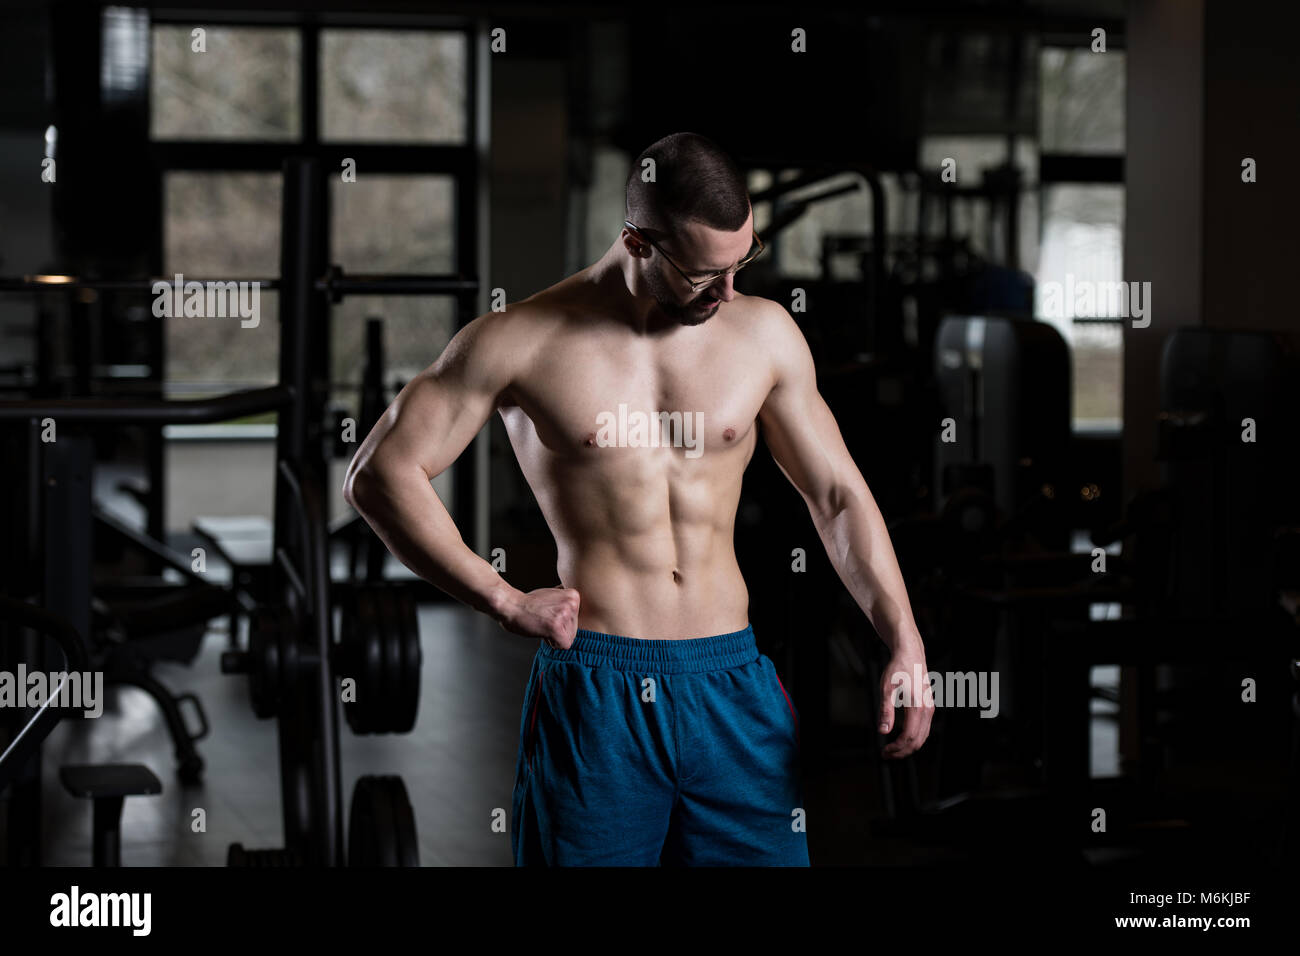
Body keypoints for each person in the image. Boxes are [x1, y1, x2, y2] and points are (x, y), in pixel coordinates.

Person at [343, 131, 933, 866]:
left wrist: (902, 637)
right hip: (599, 691)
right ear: (636, 241)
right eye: (702, 275)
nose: (727, 294)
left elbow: (838, 493)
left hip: (732, 684)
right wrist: (500, 598)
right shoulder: (518, 340)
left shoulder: (765, 335)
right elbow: (379, 474)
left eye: (740, 265)